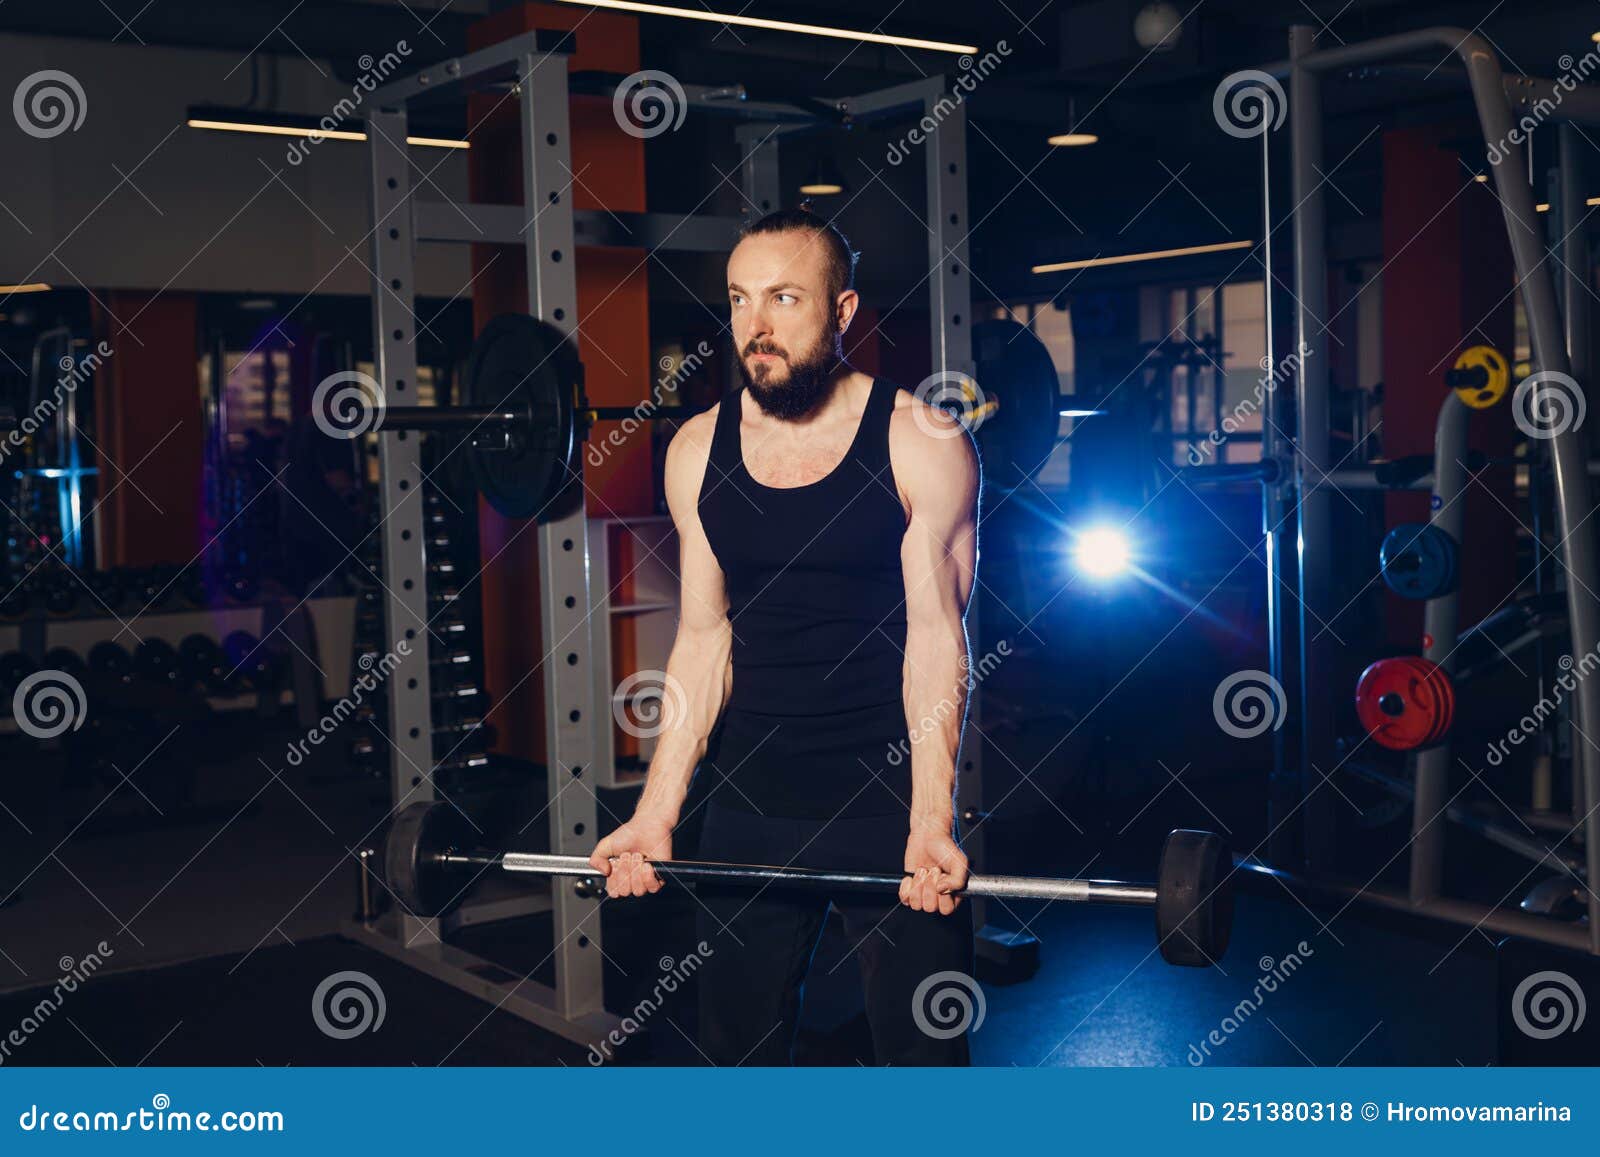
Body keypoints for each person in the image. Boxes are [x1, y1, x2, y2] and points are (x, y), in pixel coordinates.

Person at [588, 207, 980, 1066]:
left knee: (926, 1067)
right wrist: (657, 813)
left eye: (783, 298)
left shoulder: (921, 440)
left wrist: (931, 817)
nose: (754, 328)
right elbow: (702, 639)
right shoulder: (696, 448)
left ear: (841, 312)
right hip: (750, 804)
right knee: (738, 1058)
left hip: (886, 809)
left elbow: (937, 642)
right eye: (738, 300)